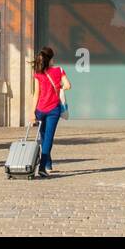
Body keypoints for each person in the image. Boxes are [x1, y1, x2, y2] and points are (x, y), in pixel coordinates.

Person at [29, 47, 71, 177]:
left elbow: (36, 94)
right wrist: (60, 86)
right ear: (51, 58)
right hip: (53, 110)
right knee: (48, 138)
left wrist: (32, 112)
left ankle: (47, 164)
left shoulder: (38, 73)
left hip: (40, 110)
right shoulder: (59, 70)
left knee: (43, 138)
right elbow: (68, 85)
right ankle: (43, 166)